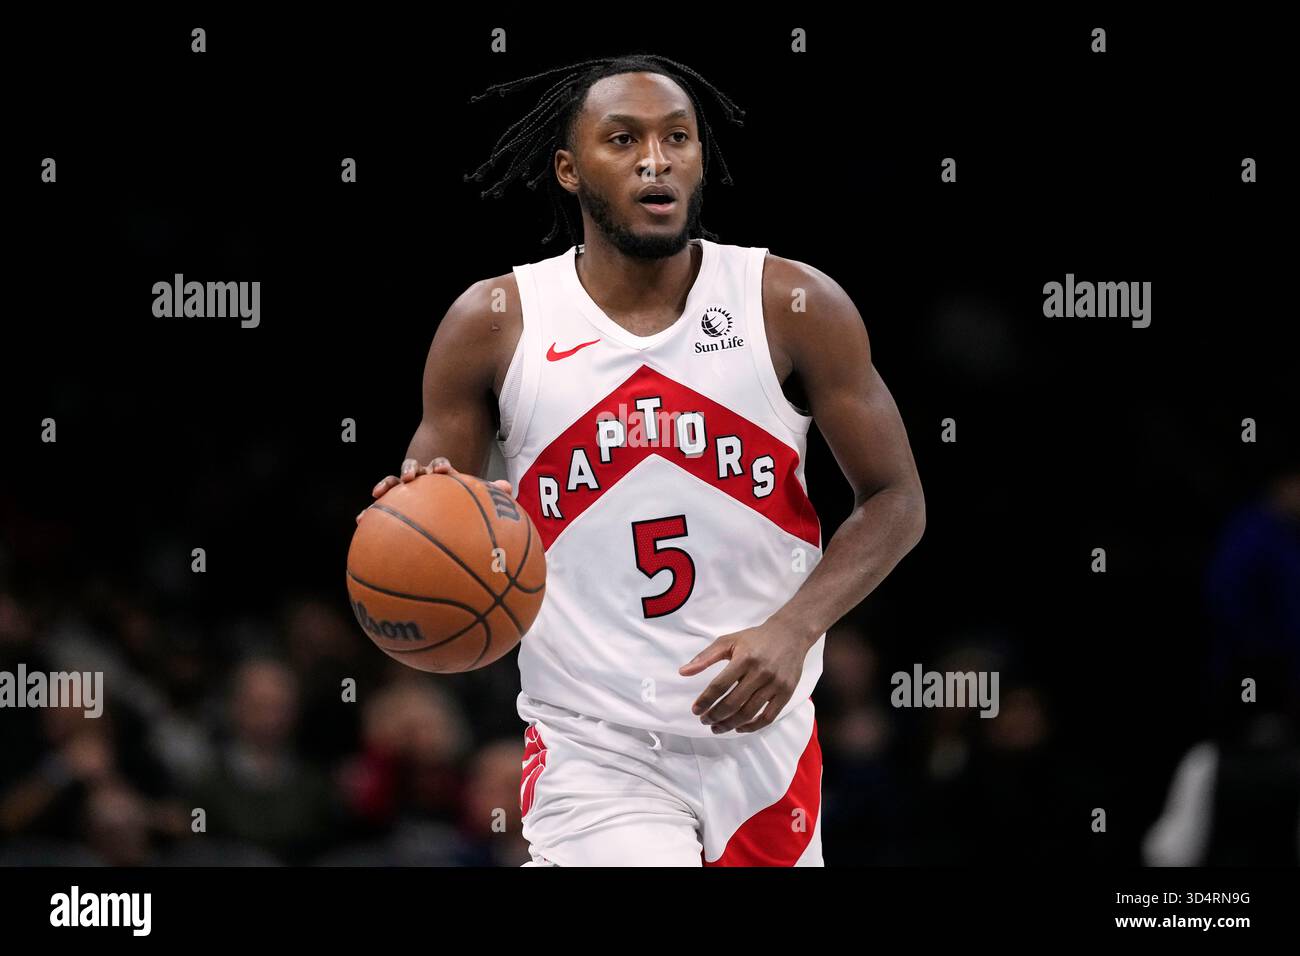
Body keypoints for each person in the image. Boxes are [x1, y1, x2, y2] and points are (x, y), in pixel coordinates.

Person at [360, 54, 925, 865]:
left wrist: (797, 627)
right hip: (595, 746)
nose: (655, 159)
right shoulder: (495, 322)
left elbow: (897, 499)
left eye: (677, 139)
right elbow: (435, 517)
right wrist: (408, 519)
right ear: (568, 169)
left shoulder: (791, 304)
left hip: (764, 745)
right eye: (622, 140)